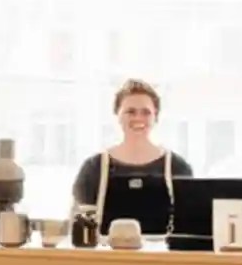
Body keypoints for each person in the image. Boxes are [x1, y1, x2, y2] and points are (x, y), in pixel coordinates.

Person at [72, 79, 194, 234]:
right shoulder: (93, 168)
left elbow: (189, 226)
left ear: (155, 117)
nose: (138, 118)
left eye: (146, 112)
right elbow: (80, 230)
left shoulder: (178, 168)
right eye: (130, 111)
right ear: (117, 115)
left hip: (162, 257)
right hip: (107, 256)